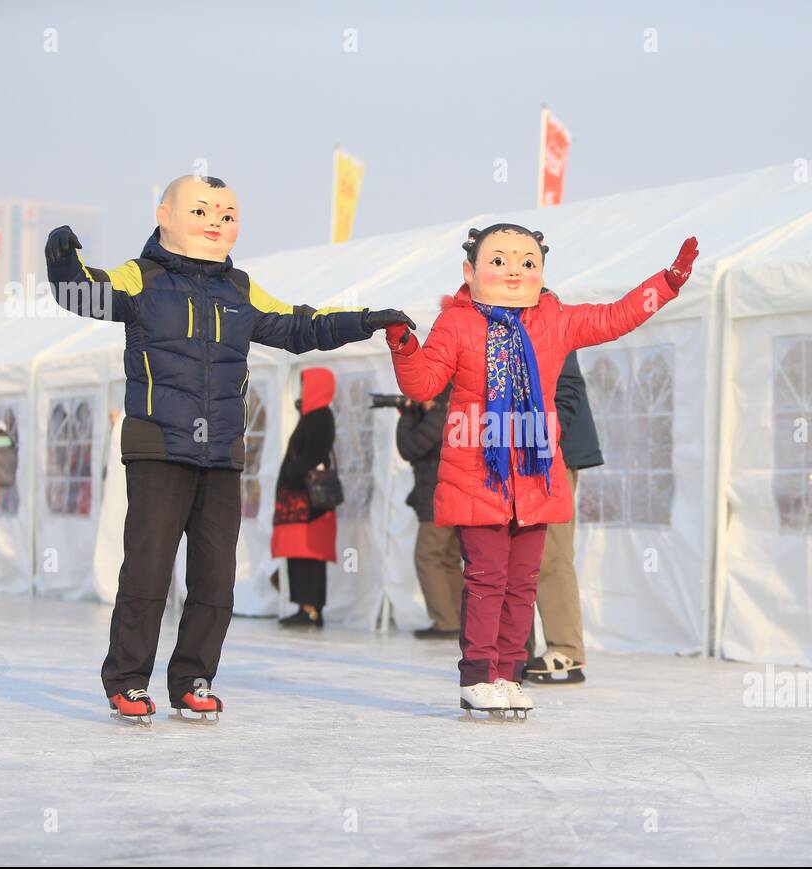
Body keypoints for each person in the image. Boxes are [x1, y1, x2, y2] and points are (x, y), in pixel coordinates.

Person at [45, 174, 413, 724]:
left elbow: (298, 326)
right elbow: (88, 295)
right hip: (158, 447)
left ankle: (194, 677)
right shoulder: (141, 278)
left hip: (221, 451)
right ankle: (127, 680)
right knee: (147, 568)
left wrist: (362, 321)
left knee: (216, 576)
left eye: (227, 213)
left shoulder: (239, 289)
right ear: (164, 215)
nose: (217, 221)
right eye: (202, 210)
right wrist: (63, 267)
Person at [384, 222, 698, 716]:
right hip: (477, 472)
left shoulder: (554, 321)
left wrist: (668, 281)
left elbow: (615, 317)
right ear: (471, 270)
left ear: (542, 272)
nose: (514, 271)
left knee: (522, 582)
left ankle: (508, 674)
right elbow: (423, 385)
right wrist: (404, 346)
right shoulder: (458, 324)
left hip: (533, 476)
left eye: (527, 263)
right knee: (487, 578)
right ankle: (478, 675)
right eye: (500, 260)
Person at [526, 351, 601, 683]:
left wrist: (543, 437)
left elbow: (568, 386)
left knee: (552, 553)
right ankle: (514, 649)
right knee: (515, 555)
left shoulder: (547, 311)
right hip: (508, 449)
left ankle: (566, 650)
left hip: (552, 451)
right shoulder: (488, 318)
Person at [273, 368, 339, 630]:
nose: (302, 392)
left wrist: (292, 471)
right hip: (302, 501)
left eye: (306, 387)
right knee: (300, 552)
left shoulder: (320, 417)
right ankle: (306, 606)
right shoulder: (312, 416)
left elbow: (314, 454)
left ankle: (310, 608)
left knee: (308, 553)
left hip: (308, 501)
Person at [396, 385, 463, 639]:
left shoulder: (441, 413)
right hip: (453, 496)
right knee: (447, 559)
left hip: (437, 498)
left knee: (428, 557)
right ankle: (457, 619)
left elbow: (410, 447)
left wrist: (406, 416)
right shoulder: (452, 408)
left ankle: (445, 621)